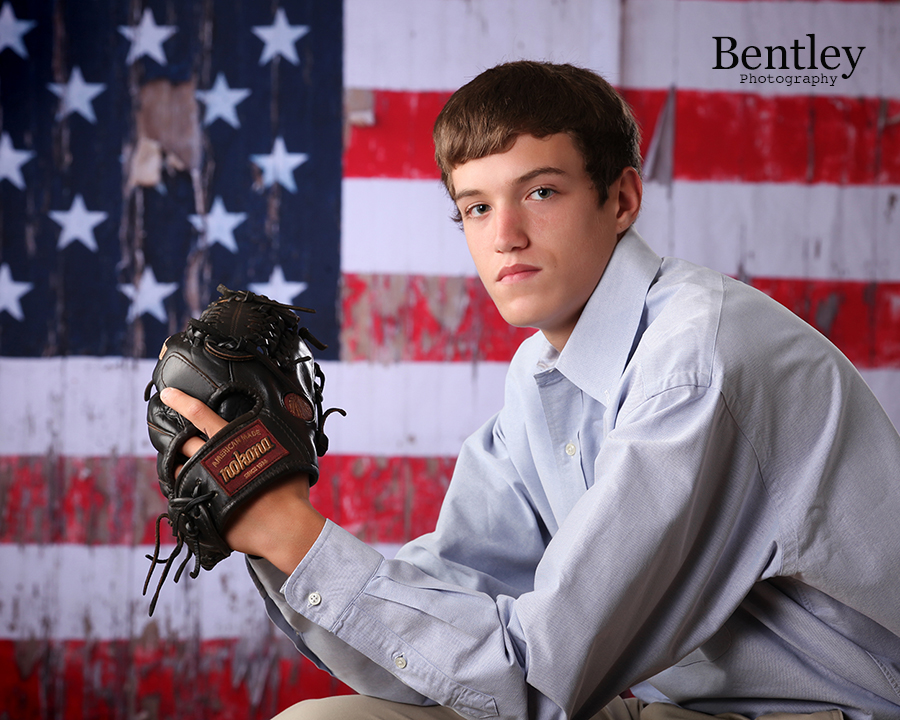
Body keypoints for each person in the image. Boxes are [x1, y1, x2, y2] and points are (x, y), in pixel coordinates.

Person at [161, 61, 900, 720]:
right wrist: (266, 524)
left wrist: (295, 533)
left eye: (539, 191)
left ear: (621, 199)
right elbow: (449, 619)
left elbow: (538, 681)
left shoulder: (697, 359)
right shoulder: (539, 379)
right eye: (476, 207)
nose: (504, 234)